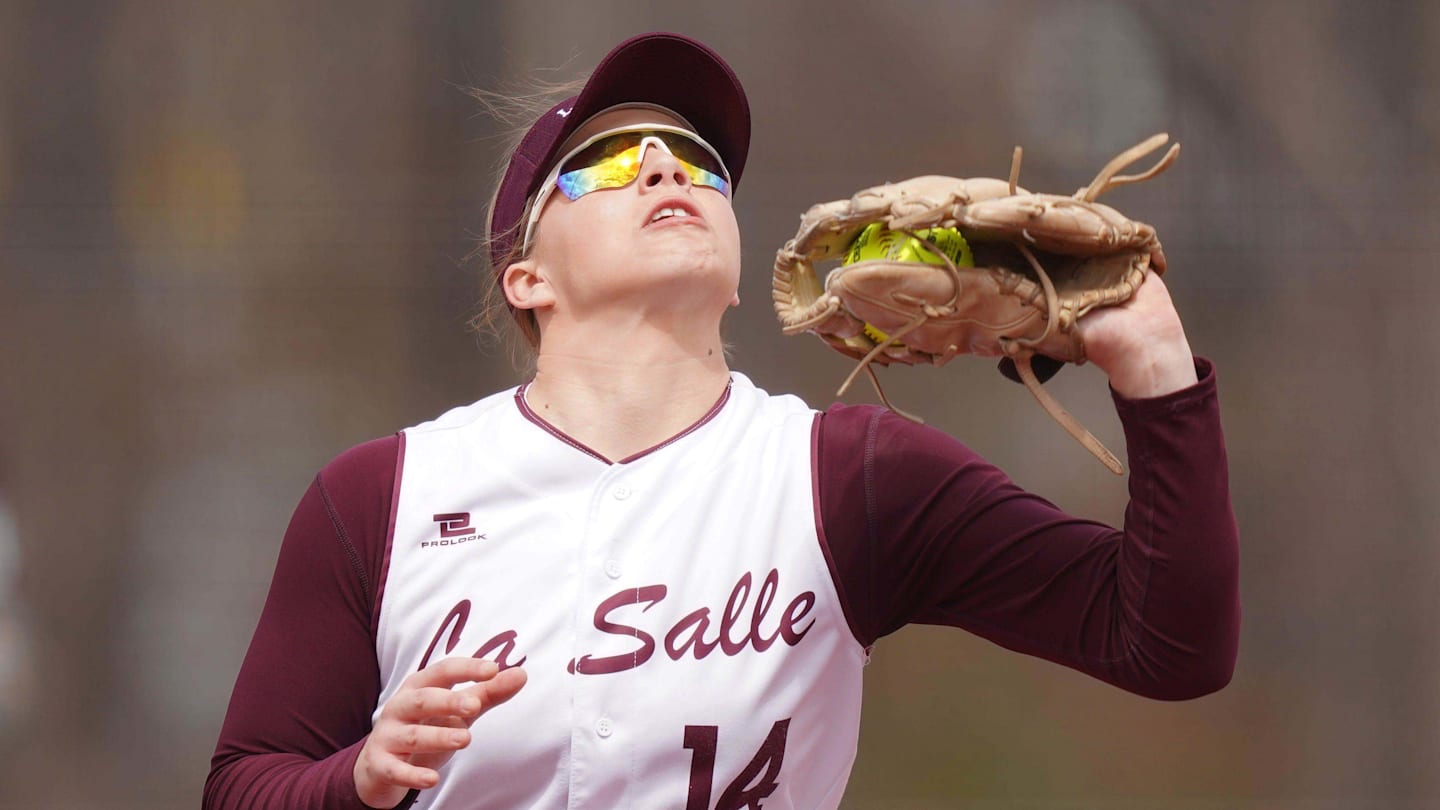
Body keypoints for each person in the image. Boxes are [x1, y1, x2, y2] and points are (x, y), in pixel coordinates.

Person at [204, 32, 1239, 810]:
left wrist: (1153, 369)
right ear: (527, 279)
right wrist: (358, 779)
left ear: (741, 272)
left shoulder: (843, 476)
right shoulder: (386, 496)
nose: (664, 170)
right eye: (607, 165)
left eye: (697, 165)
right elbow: (244, 783)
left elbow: (1168, 646)